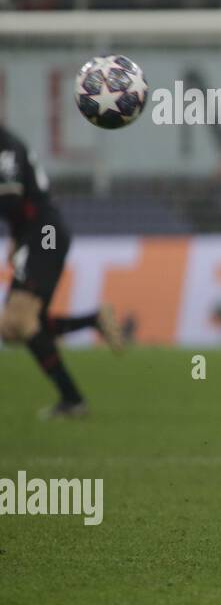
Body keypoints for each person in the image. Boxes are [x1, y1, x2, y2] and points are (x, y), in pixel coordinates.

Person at [1, 123, 124, 418]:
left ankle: (73, 400)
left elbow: (12, 199)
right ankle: (93, 320)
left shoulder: (5, 148)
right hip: (35, 233)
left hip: (45, 233)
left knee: (20, 320)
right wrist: (18, 239)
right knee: (11, 329)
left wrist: (20, 236)